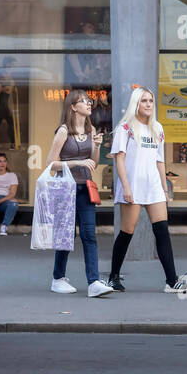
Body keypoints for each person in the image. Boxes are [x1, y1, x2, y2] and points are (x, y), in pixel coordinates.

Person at [108, 87, 187, 294]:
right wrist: (126, 187)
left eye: (150, 101)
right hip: (133, 186)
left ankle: (172, 281)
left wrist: (165, 190)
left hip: (153, 185)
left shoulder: (157, 128)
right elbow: (119, 159)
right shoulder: (126, 128)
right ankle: (113, 277)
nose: (148, 104)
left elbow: (160, 161)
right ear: (136, 104)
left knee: (162, 230)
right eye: (143, 101)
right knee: (127, 232)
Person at [45, 89, 113, 297]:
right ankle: (58, 278)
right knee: (66, 235)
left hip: (85, 187)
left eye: (90, 101)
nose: (89, 104)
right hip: (66, 189)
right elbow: (51, 163)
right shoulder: (64, 131)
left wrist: (96, 147)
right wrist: (76, 162)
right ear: (73, 107)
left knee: (89, 234)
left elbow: (92, 163)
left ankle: (93, 282)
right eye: (85, 101)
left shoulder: (91, 130)